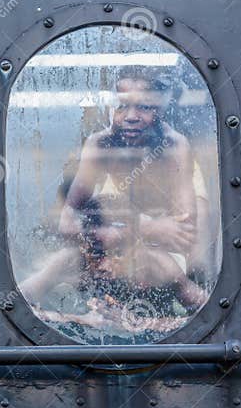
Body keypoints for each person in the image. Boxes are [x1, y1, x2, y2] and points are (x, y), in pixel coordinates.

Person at [20, 66, 207, 333]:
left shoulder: (174, 147)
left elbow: (184, 237)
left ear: (160, 110)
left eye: (143, 107)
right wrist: (79, 319)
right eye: (121, 107)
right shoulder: (101, 144)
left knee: (197, 247)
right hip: (129, 225)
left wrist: (146, 323)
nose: (130, 117)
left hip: (146, 242)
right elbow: (67, 223)